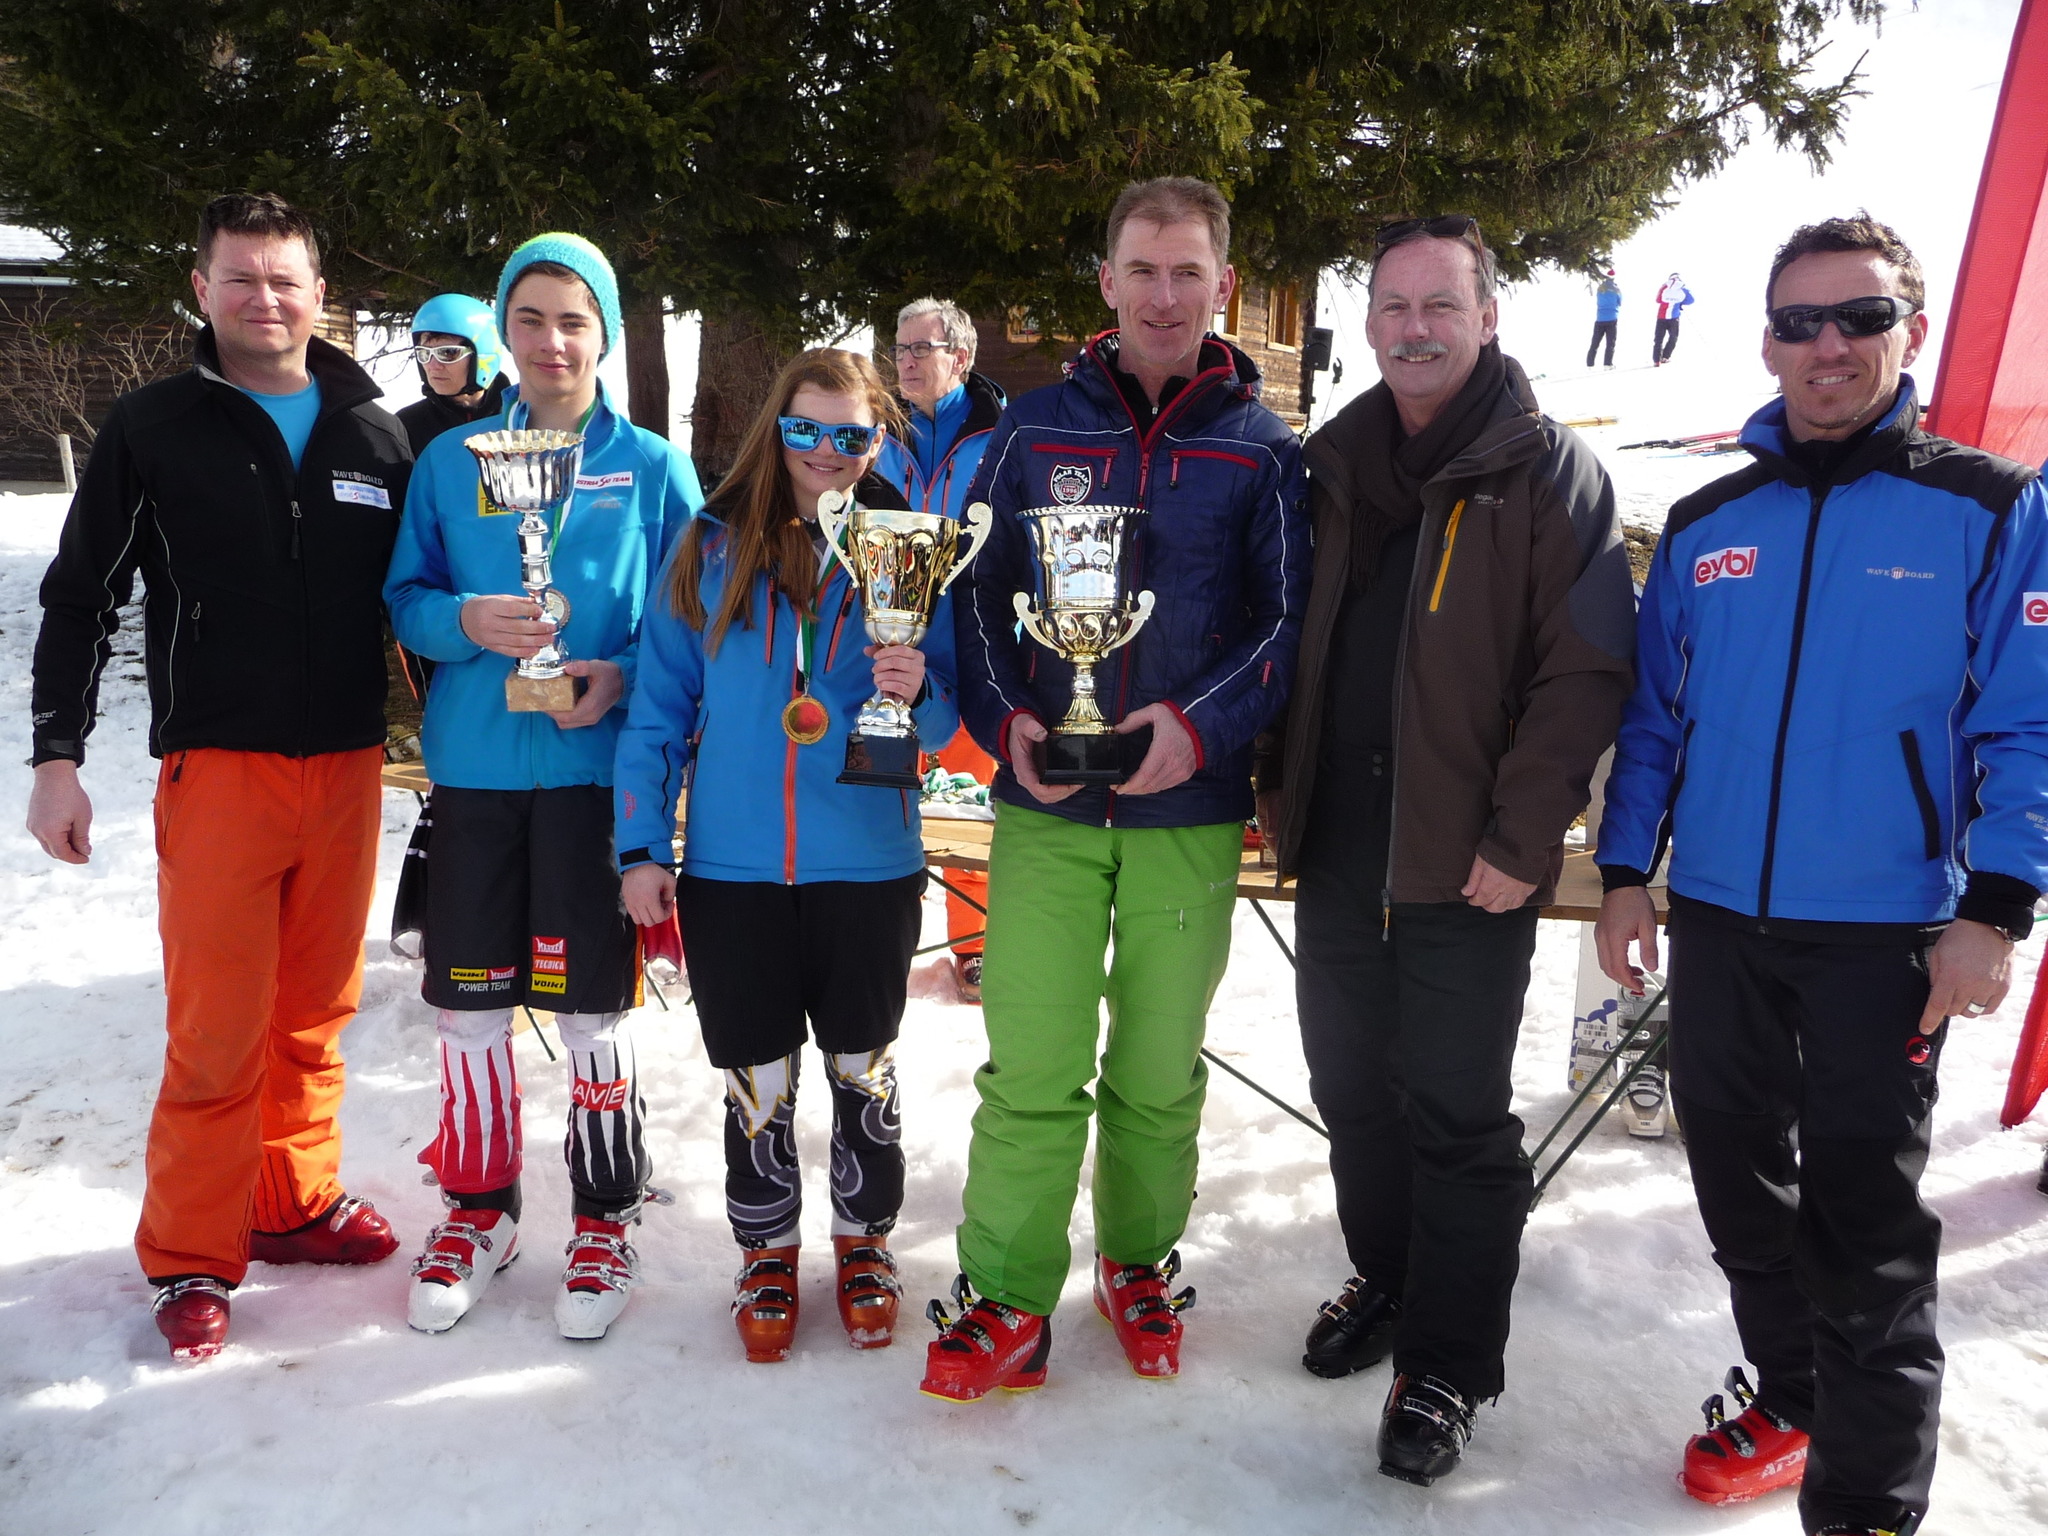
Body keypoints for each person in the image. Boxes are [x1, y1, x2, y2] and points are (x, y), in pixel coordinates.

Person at [1595, 214, 2048, 1536]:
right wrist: (1630, 871)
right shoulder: (1708, 519)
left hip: (1890, 936)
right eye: (1802, 321)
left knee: (1863, 1232)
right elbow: (1656, 722)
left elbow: (2029, 724)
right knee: (1738, 1191)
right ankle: (1793, 1395)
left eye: (1859, 317)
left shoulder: (1990, 507)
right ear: (1769, 340)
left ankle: (1866, 1507)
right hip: (1726, 920)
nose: (1830, 345)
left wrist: (1997, 911)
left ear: (1909, 329)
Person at [1255, 214, 1636, 1485]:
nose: (1413, 329)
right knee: (1352, 1089)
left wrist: (1524, 837)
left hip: (1469, 851)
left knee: (1457, 1114)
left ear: (1486, 320)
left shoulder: (1543, 472)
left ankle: (1448, 1365)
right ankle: (1391, 1279)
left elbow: (1584, 672)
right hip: (1343, 838)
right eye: (1393, 306)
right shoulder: (1330, 464)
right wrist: (1275, 793)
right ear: (1367, 325)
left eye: (1439, 306)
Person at [926, 176, 1308, 1401]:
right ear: (1104, 282)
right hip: (1042, 807)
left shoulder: (1260, 449)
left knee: (1156, 1065)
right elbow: (976, 599)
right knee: (1030, 1065)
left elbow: (1285, 623)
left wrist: (1194, 734)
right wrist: (1009, 720)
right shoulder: (1034, 432)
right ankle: (1008, 1291)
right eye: (1140, 269)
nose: (1161, 294)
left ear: (1222, 287)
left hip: (1184, 816)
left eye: (1185, 271)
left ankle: (1138, 1262)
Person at [26, 193, 414, 1361]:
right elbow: (80, 596)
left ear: (318, 293)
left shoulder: (372, 433)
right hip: (222, 769)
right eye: (240, 276)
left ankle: (290, 1203)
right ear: (200, 288)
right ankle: (192, 1251)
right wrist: (57, 757)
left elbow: (413, 605)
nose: (264, 298)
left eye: (284, 278)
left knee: (316, 1013)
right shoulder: (156, 428)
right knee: (215, 1031)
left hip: (346, 769)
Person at [384, 233, 702, 1341]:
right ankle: (479, 1210)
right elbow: (407, 596)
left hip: (592, 783)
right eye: (530, 320)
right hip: (473, 773)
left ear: (604, 332)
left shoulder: (654, 467)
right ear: (501, 334)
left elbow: (692, 617)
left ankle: (605, 1218)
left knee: (591, 1012)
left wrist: (619, 675)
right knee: (468, 1008)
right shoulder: (451, 460)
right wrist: (464, 622)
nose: (552, 341)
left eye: (574, 320)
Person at [614, 347, 958, 1362]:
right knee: (755, 1075)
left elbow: (948, 721)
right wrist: (641, 846)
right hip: (733, 871)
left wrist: (915, 688)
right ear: (777, 429)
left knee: (864, 1070)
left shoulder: (911, 549)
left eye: (851, 435)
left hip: (868, 865)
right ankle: (765, 1247)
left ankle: (864, 1242)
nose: (827, 452)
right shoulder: (709, 546)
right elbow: (656, 715)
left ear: (877, 441)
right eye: (806, 429)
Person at [875, 296, 1007, 1002]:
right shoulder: (875, 434)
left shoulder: (1002, 434)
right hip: (885, 647)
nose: (906, 362)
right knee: (884, 795)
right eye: (899, 349)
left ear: (960, 356)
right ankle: (882, 934)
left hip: (972, 643)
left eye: (921, 349)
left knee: (965, 801)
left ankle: (976, 948)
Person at [395, 293, 510, 455]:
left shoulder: (519, 420)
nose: (433, 365)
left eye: (448, 353)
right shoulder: (406, 427)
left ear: (482, 354)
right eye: (424, 353)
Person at [1654, 272, 1695, 365]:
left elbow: (1658, 300)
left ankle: (1657, 360)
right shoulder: (1682, 288)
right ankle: (1665, 356)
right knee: (1673, 337)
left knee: (1658, 339)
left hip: (1661, 317)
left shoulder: (1664, 287)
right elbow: (1691, 300)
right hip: (1674, 317)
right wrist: (1679, 302)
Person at [1587, 269, 1621, 368]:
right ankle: (1607, 363)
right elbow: (1620, 302)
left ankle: (1590, 364)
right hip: (1612, 318)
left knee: (1595, 342)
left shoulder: (1600, 288)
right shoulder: (1616, 289)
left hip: (1600, 318)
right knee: (1610, 342)